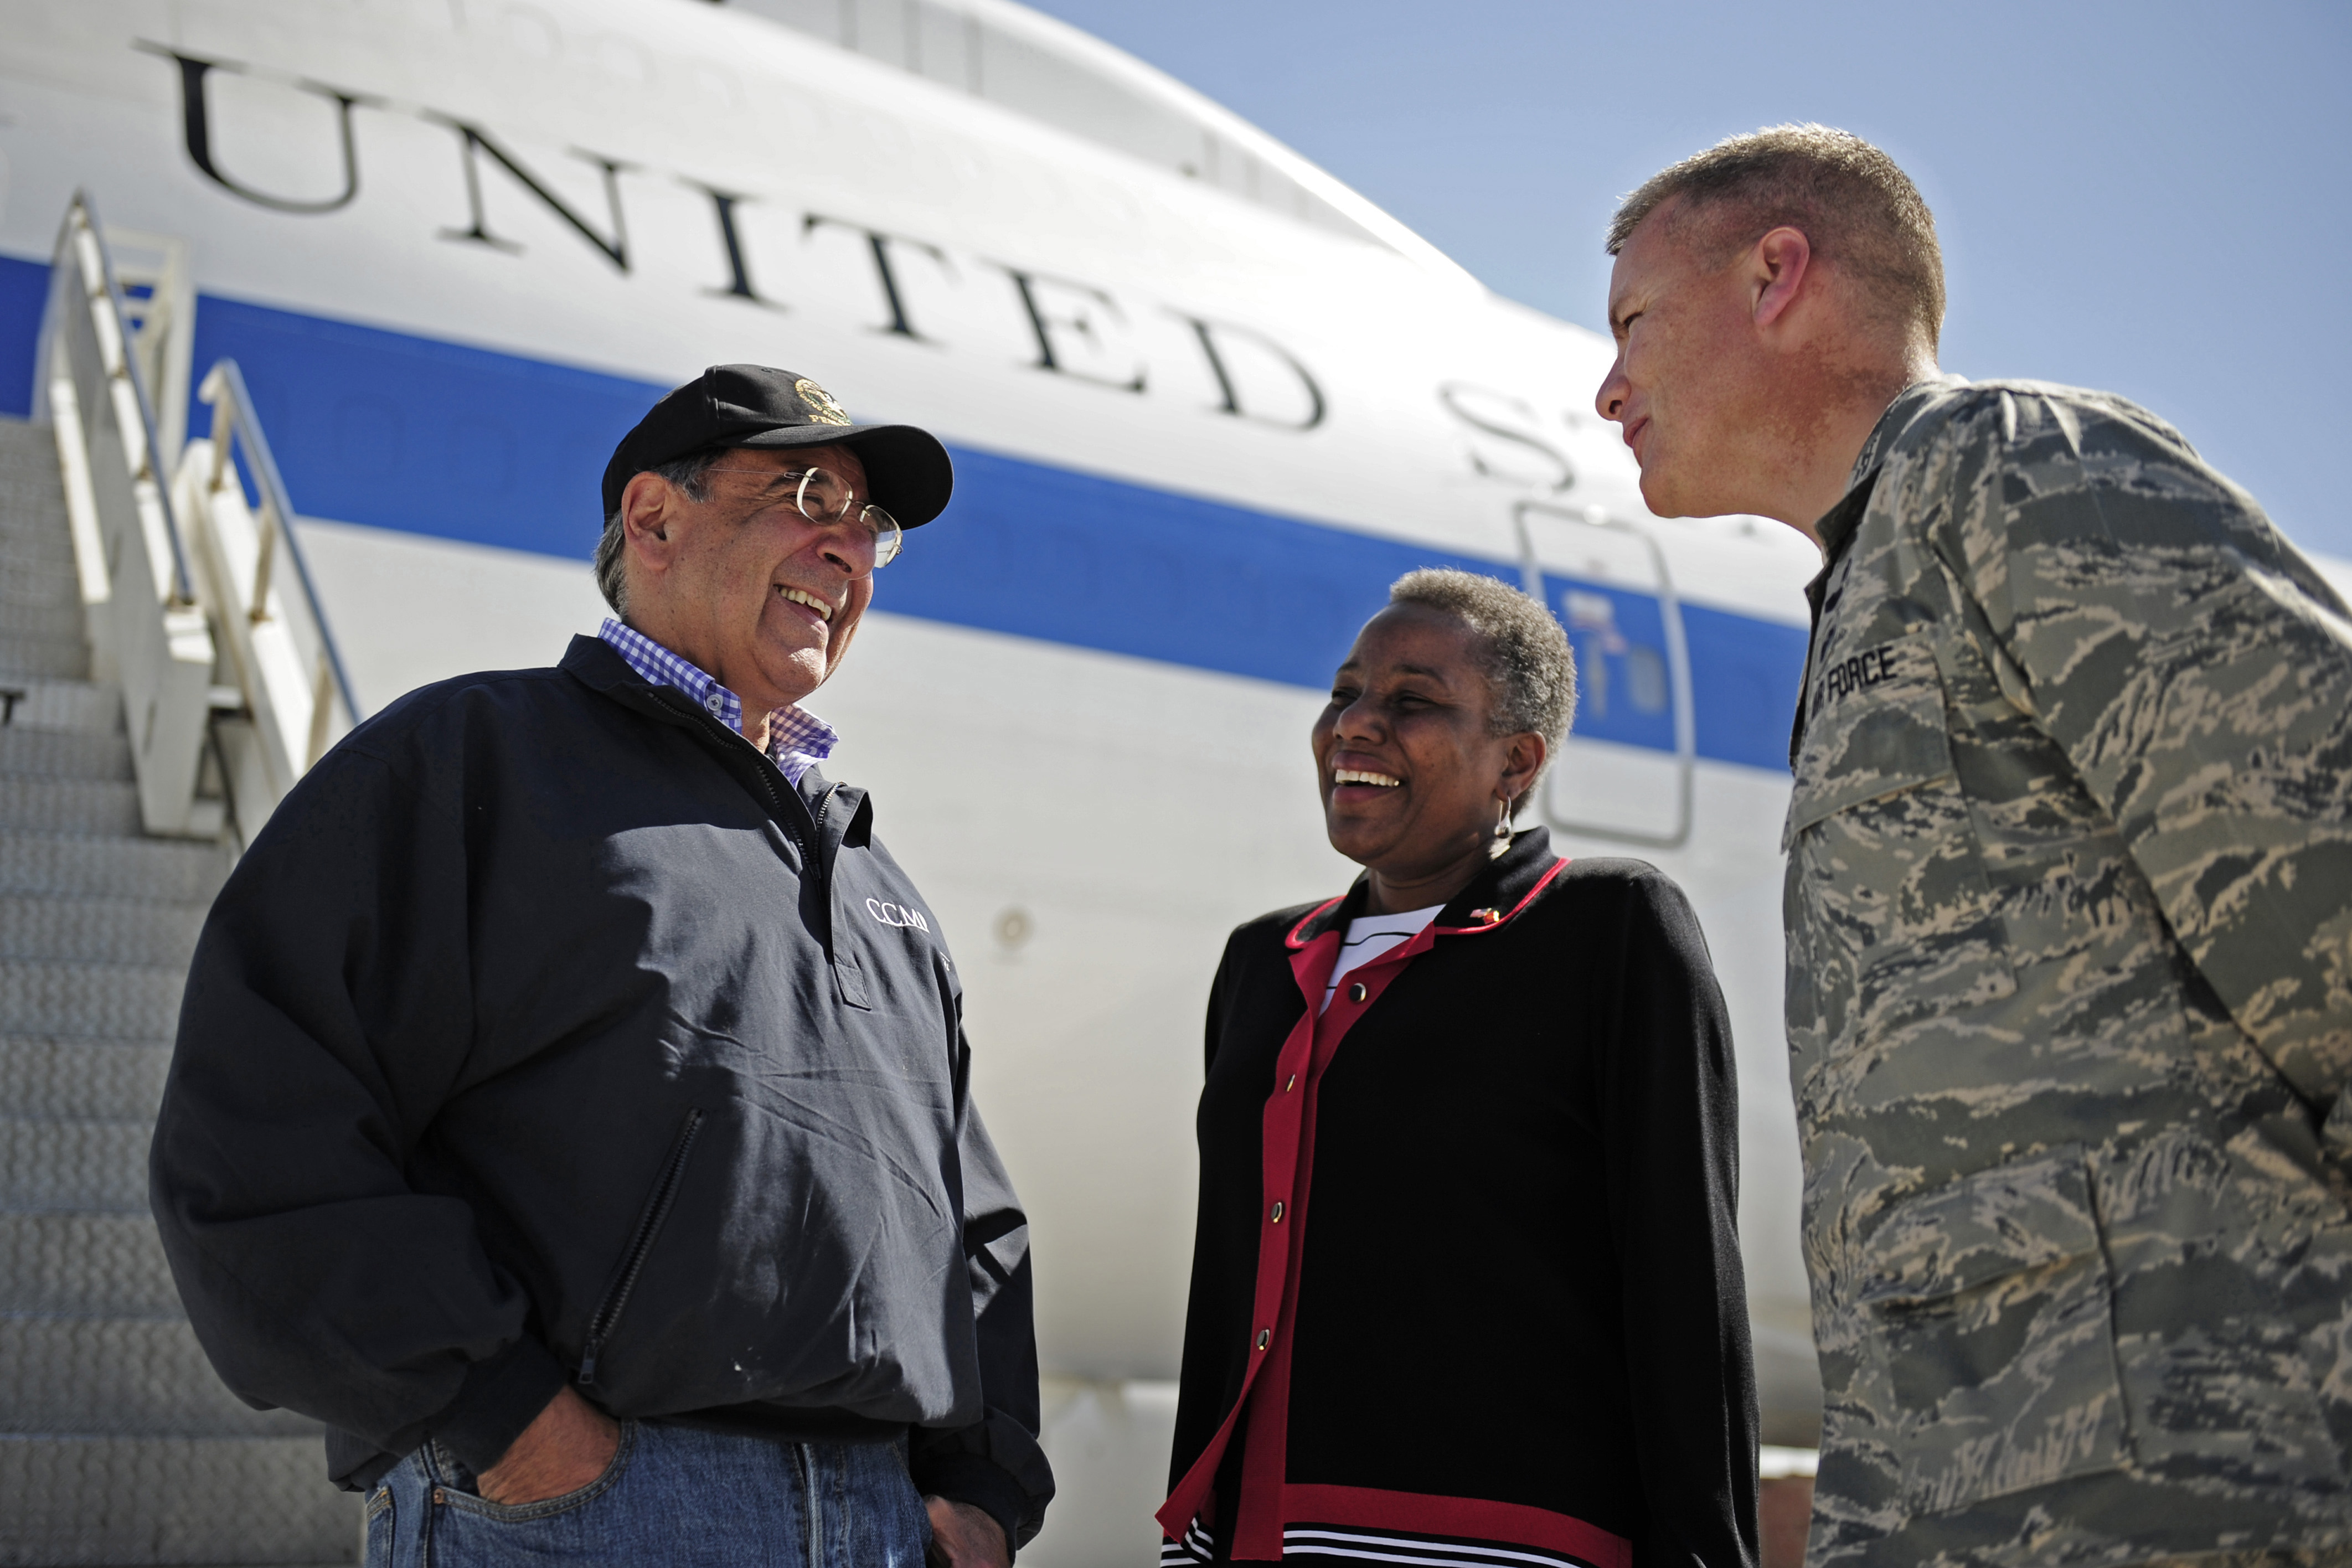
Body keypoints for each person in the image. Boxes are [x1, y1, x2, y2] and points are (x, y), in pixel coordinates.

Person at [1595, 126, 2352, 1564]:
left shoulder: (2012, 472)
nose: (1609, 386)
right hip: (1952, 1491)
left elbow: (2326, 879)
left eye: (1635, 322)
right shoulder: (1869, 583)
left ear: (1776, 276)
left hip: (2187, 1480)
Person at [149, 365, 1053, 1567]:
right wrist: (509, 1424)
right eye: (807, 497)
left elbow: (974, 1226)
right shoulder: (471, 764)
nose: (849, 549)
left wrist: (982, 1495)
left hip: (880, 1526)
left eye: (869, 524)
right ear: (655, 519)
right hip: (584, 1512)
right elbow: (255, 1131)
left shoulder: (873, 882)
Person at [1158, 569, 1760, 1568]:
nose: (1355, 724)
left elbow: (1687, 1290)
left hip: (1506, 1544)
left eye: (1413, 702)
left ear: (1515, 761)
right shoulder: (1263, 963)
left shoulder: (1609, 929)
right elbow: (1225, 1286)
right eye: (1345, 693)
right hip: (1259, 1536)